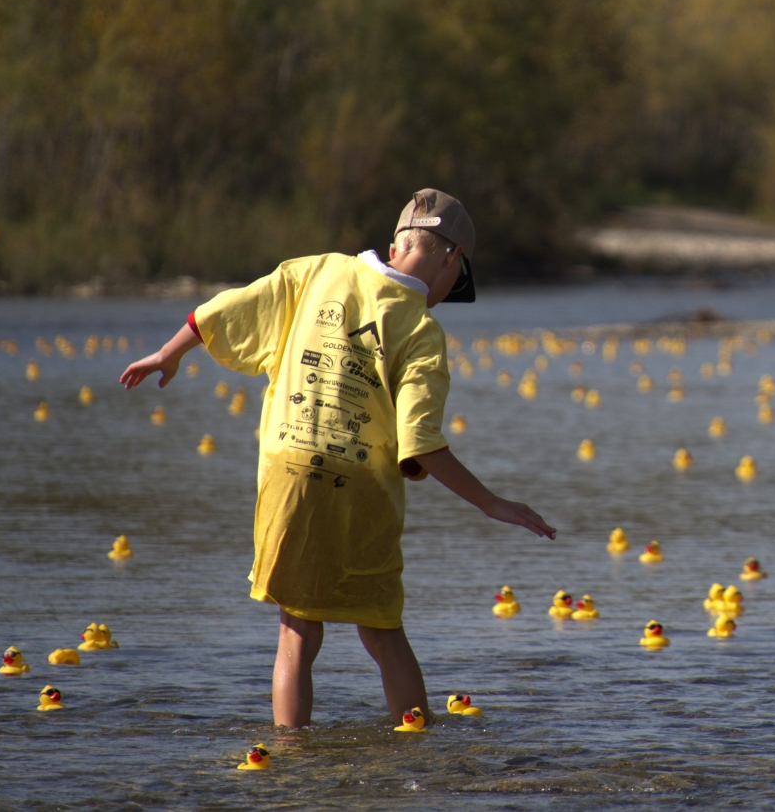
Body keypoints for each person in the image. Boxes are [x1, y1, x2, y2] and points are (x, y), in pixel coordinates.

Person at [120, 189, 557, 728]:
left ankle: (288, 757)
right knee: (381, 631)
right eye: (457, 283)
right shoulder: (421, 331)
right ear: (452, 259)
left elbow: (225, 309)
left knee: (297, 631)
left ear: (397, 243)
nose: (447, 294)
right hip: (362, 491)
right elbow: (420, 441)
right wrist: (492, 504)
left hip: (289, 474)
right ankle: (416, 748)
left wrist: (170, 352)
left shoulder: (317, 271)